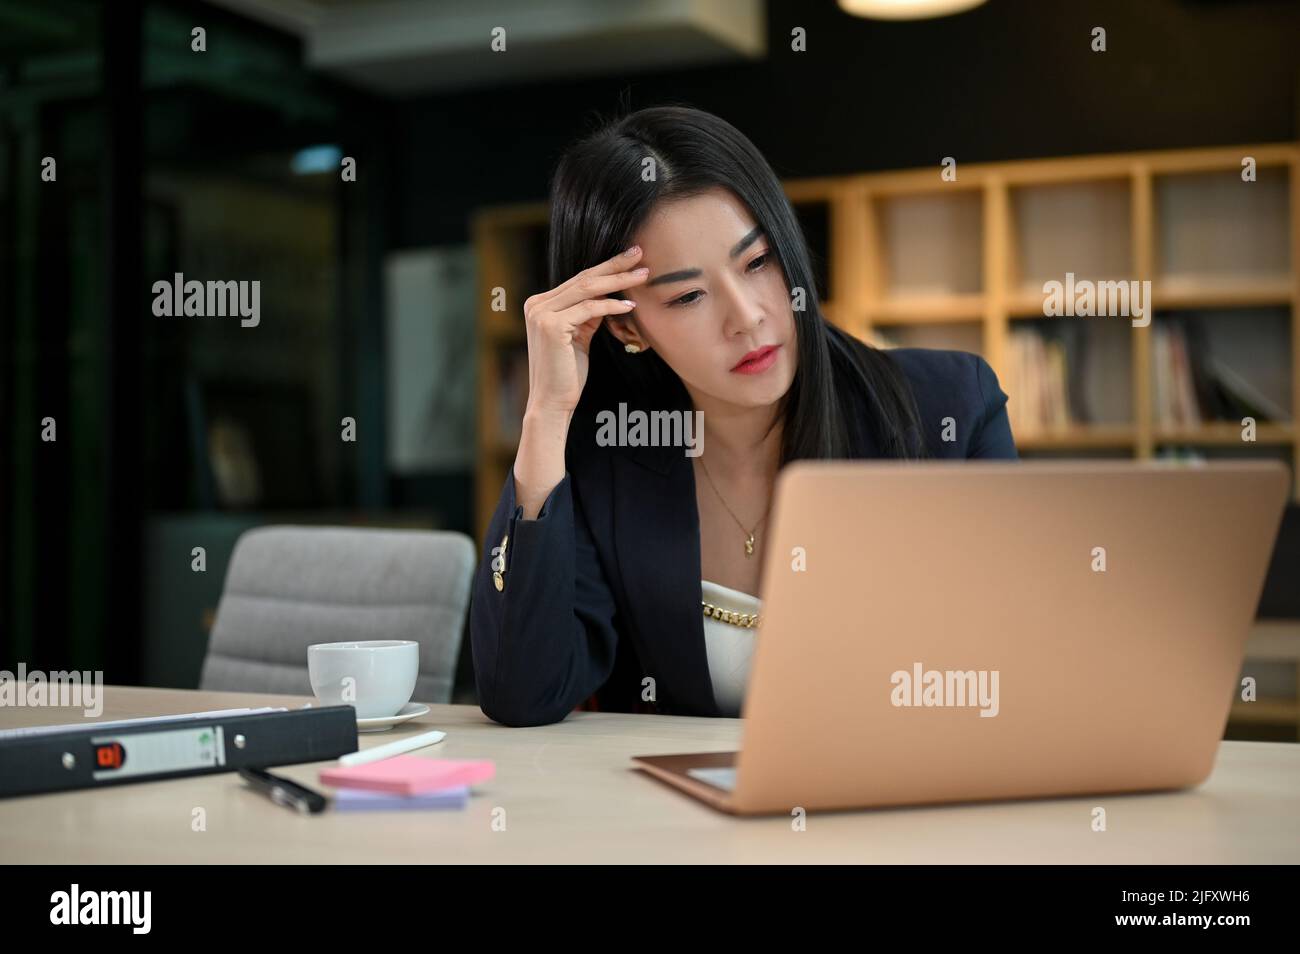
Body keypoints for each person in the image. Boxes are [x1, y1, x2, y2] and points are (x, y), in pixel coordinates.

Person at [469, 104, 1017, 727]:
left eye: (757, 263)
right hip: (676, 821)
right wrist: (545, 415)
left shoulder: (950, 409)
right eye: (688, 296)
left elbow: (1017, 669)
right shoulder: (605, 455)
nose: (747, 316)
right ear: (626, 323)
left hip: (905, 809)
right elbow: (521, 693)